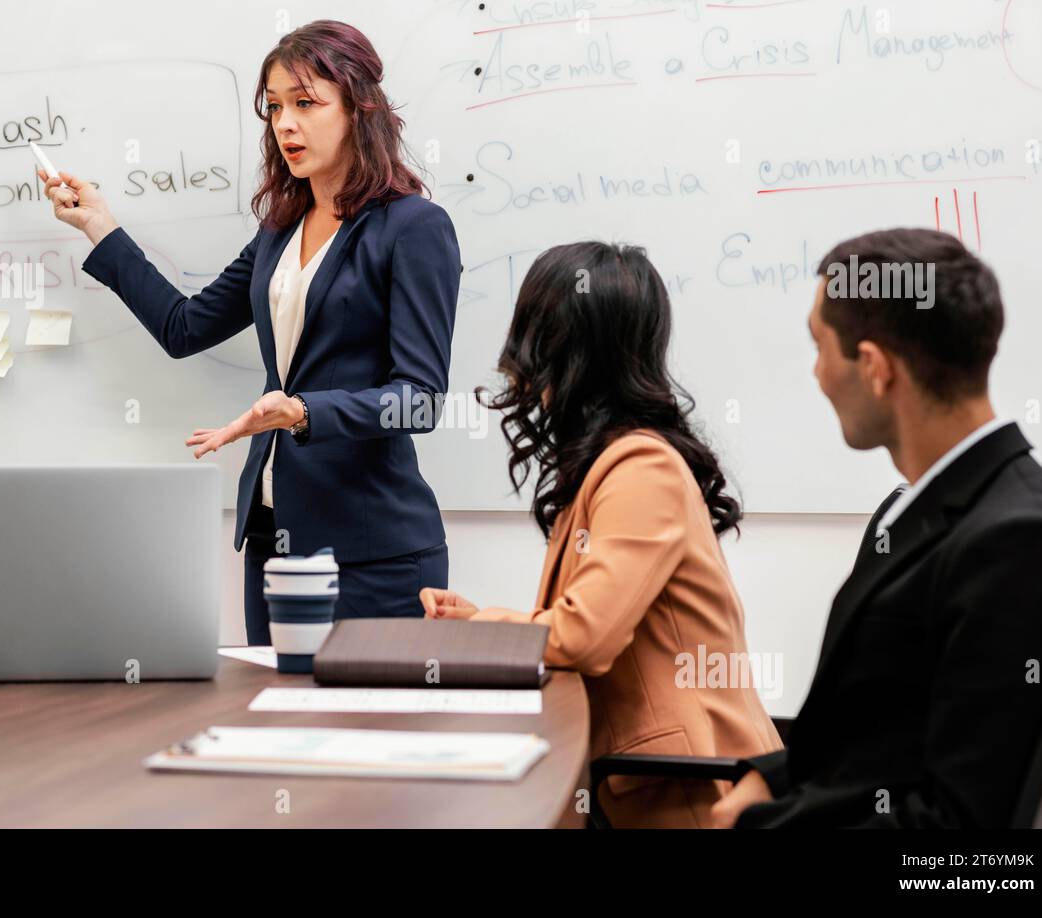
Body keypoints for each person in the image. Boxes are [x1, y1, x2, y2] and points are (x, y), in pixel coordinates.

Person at [40, 21, 459, 645]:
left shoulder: (412, 227)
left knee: (365, 740)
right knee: (275, 733)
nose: (285, 124)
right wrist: (100, 226)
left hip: (373, 555)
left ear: (359, 107)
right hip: (273, 536)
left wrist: (301, 411)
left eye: (306, 104)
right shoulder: (278, 234)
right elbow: (183, 328)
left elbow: (419, 399)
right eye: (274, 108)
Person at [712, 228, 1042, 829]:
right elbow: (882, 728)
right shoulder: (927, 510)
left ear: (876, 369)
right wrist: (772, 774)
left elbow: (963, 840)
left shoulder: (1019, 542)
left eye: (820, 347)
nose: (816, 374)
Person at [420, 241, 782, 828]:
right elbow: (583, 621)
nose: (516, 358)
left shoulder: (643, 467)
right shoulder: (610, 460)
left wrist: (479, 629)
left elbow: (584, 637)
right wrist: (479, 620)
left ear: (565, 347)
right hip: (638, 781)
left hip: (692, 795)